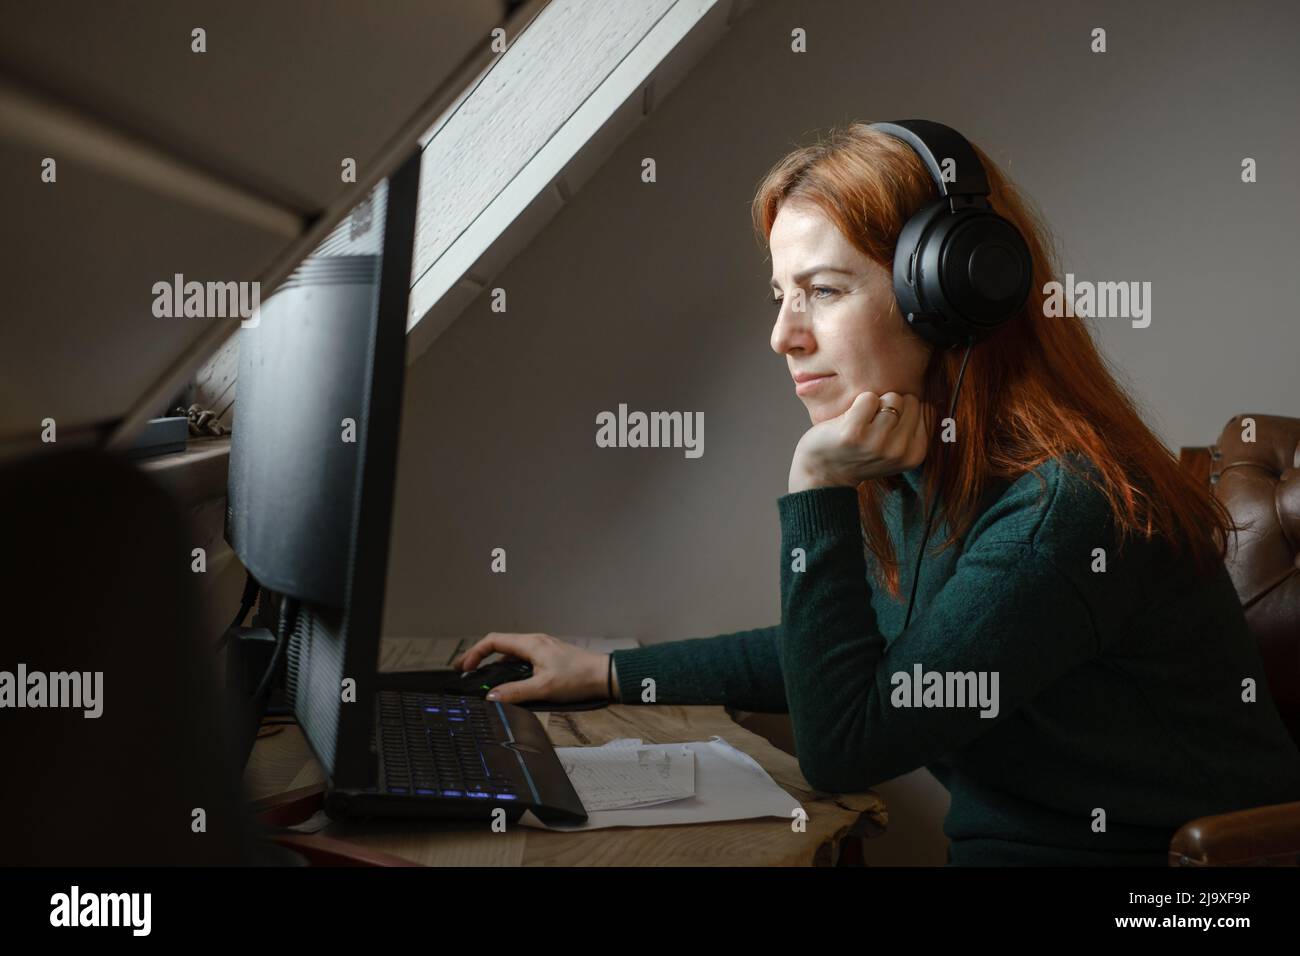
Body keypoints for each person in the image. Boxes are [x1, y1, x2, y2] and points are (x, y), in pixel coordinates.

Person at [450, 122, 1300, 865]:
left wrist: (814, 484)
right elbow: (852, 653)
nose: (783, 334)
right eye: (782, 295)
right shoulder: (930, 467)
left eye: (822, 290)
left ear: (953, 294)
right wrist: (603, 671)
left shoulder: (1061, 511)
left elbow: (845, 743)